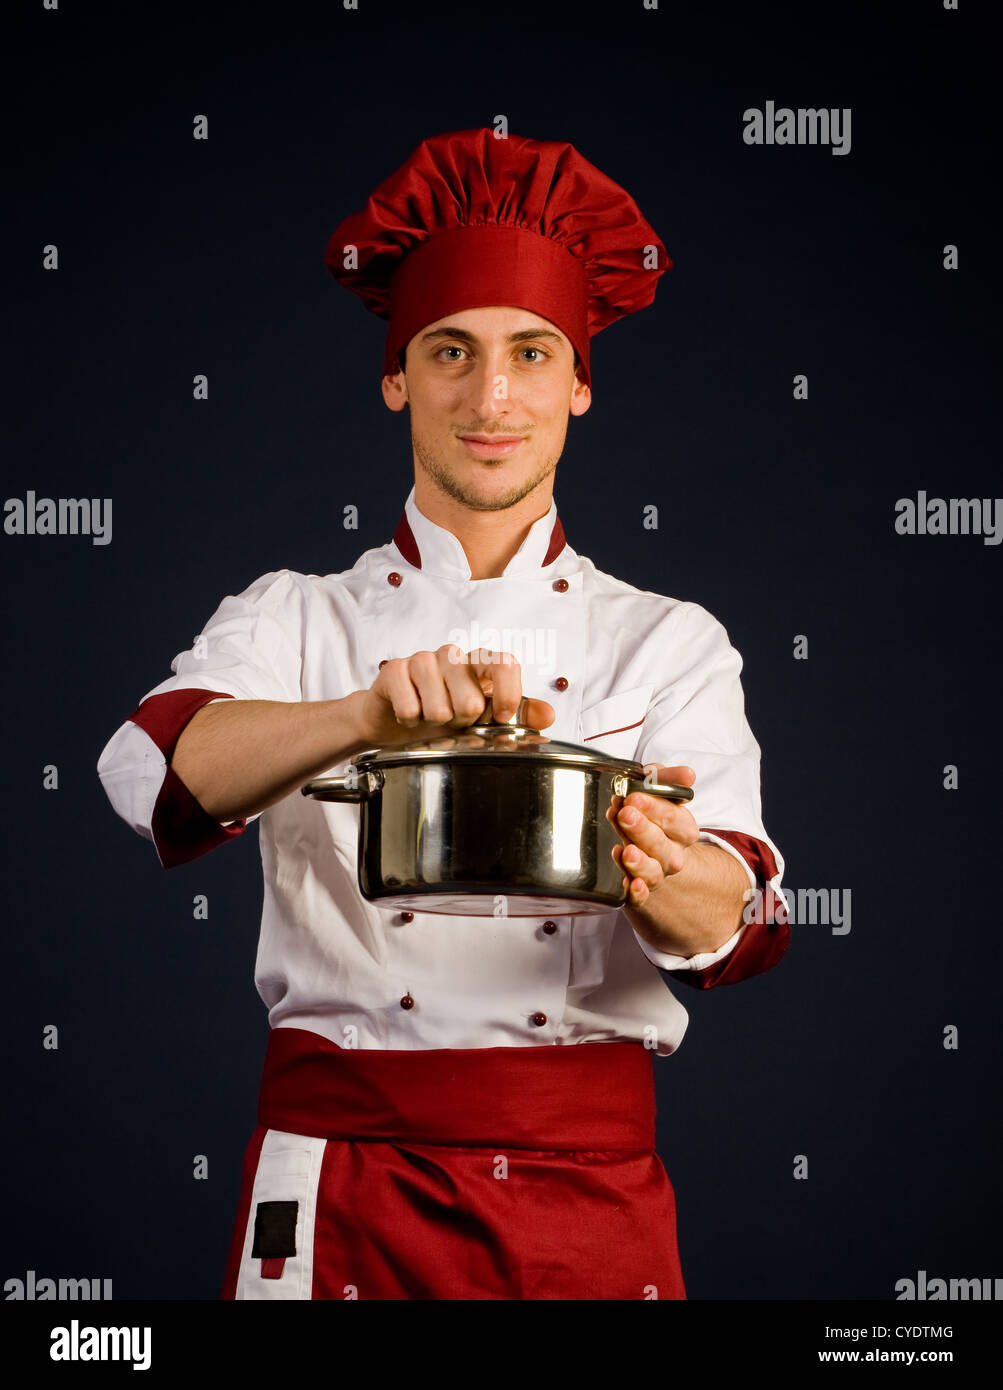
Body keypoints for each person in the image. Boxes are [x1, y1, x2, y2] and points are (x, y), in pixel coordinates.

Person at [97, 127, 789, 1301]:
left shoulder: (668, 639)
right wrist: (360, 716)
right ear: (395, 376)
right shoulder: (296, 616)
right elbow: (145, 772)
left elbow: (748, 913)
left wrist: (683, 886)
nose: (491, 395)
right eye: (449, 352)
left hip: (590, 1192)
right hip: (337, 1180)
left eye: (530, 352)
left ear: (578, 381)